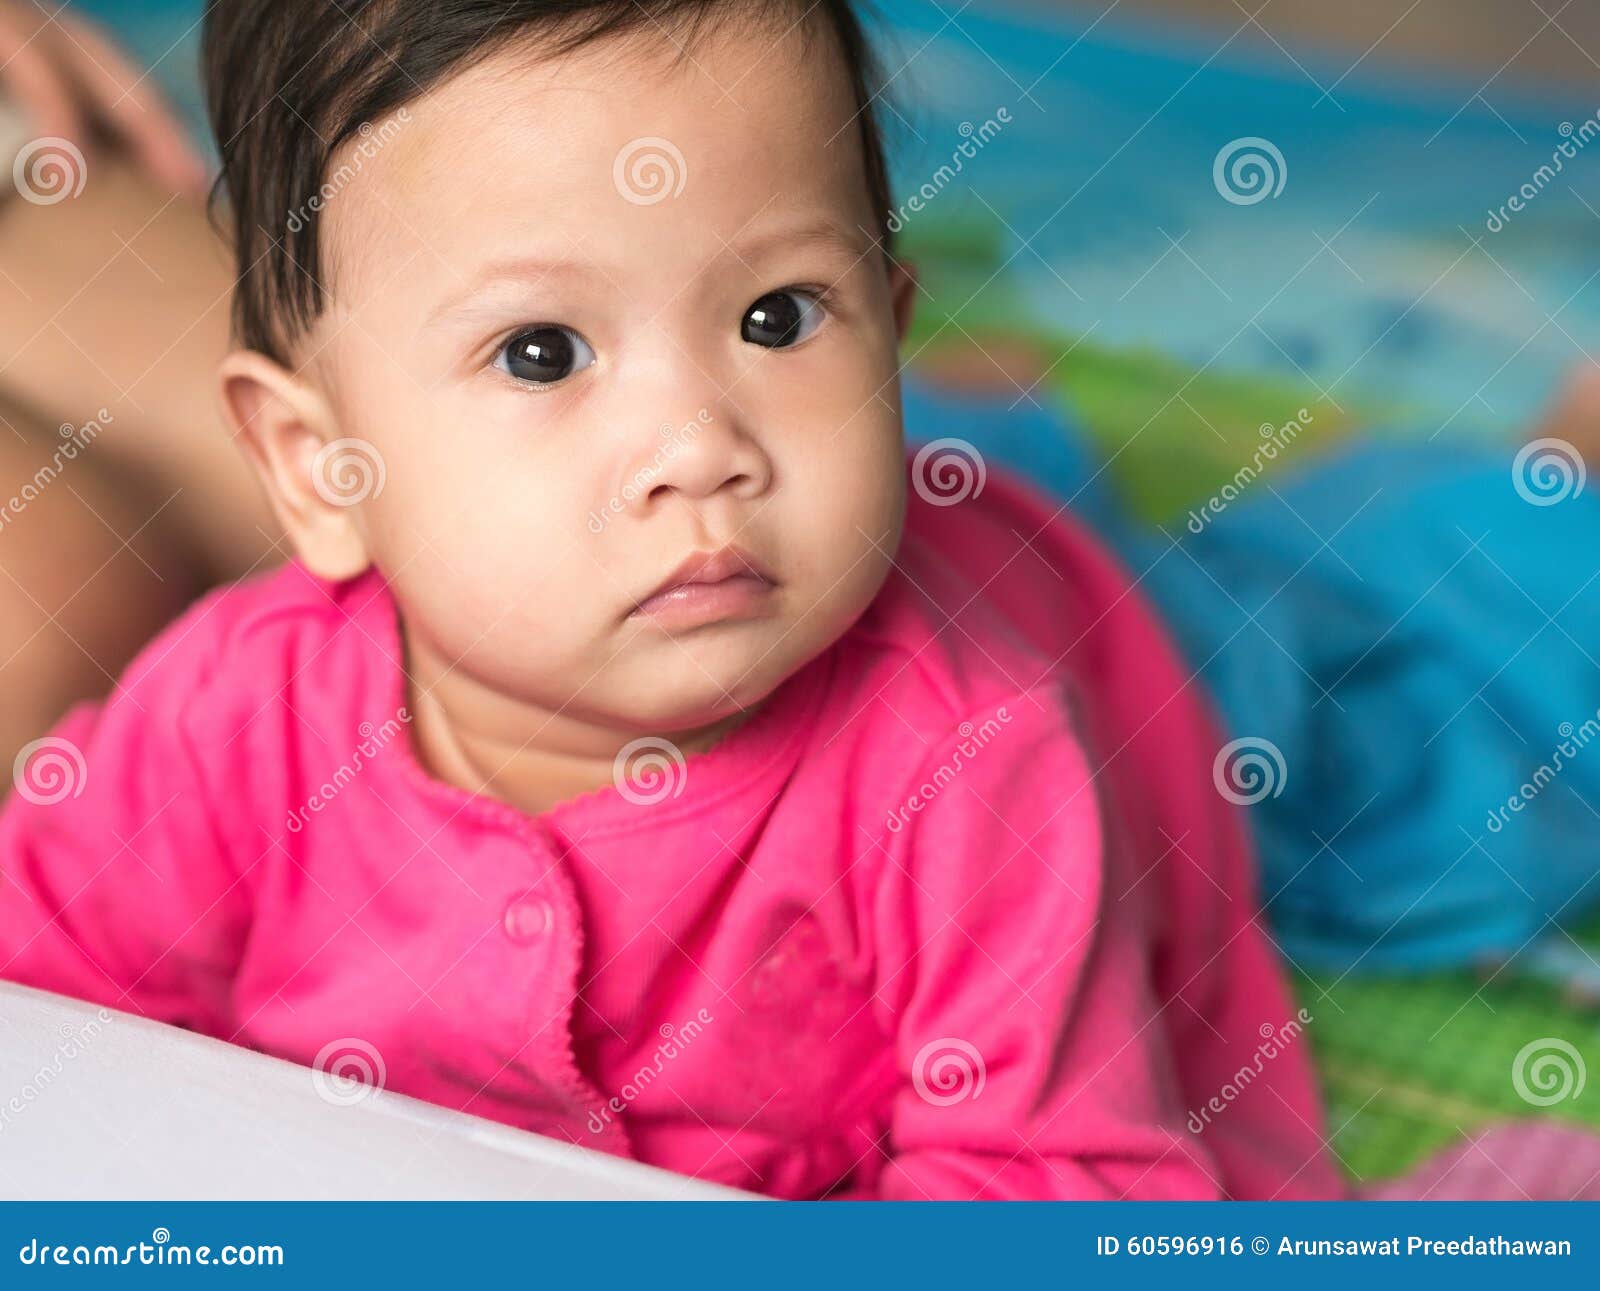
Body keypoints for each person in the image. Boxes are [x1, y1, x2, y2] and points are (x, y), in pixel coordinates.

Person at [0, 0, 1336, 1200]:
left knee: (1365, 715)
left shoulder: (974, 766)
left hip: (1097, 631)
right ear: (319, 468)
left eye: (779, 317)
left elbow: (1058, 1185)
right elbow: (43, 1025)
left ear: (888, 319)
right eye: (543, 352)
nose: (700, 445)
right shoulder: (226, 722)